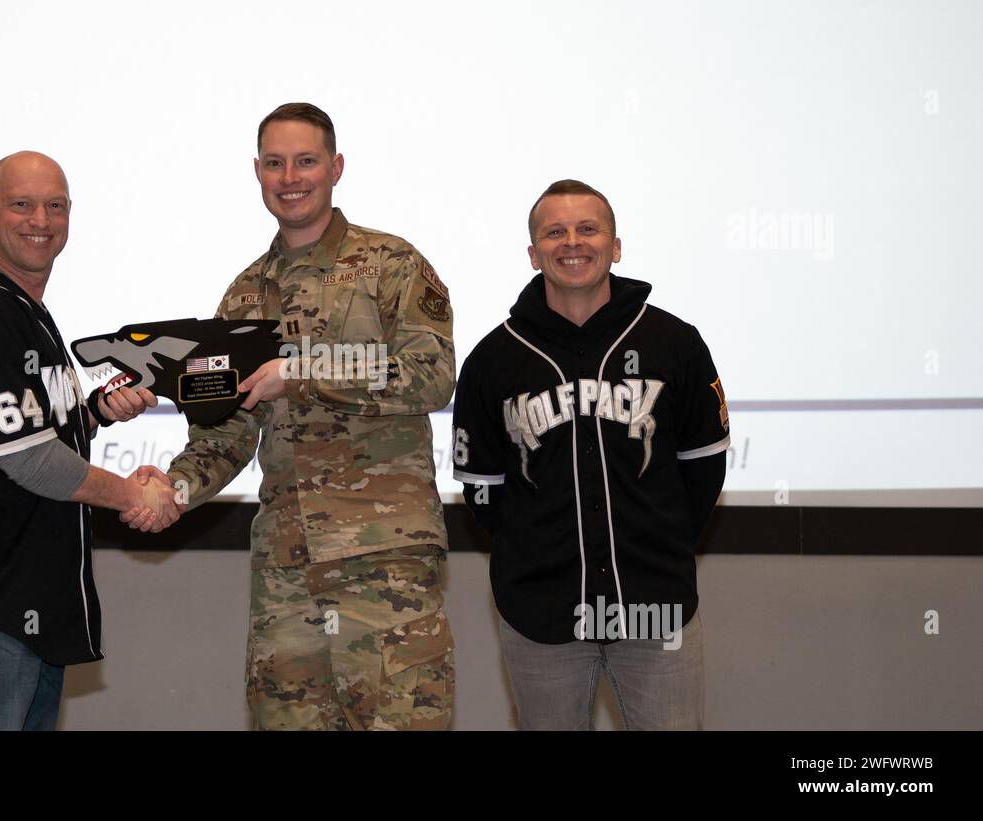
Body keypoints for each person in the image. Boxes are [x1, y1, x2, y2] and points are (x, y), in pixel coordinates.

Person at [154, 103, 457, 730]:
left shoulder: (393, 265)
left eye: (306, 161)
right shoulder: (243, 295)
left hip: (385, 564)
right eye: (274, 163)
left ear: (336, 167)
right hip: (286, 575)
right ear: (257, 172)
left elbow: (432, 377)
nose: (290, 176)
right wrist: (174, 489)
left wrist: (303, 371)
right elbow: (224, 435)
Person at [0, 150, 180, 731]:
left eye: (55, 206)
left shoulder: (28, 314)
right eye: (20, 204)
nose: (39, 220)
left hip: (29, 611)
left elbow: (28, 432)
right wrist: (130, 495)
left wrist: (94, 412)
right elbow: (28, 459)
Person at [452, 179, 728, 730]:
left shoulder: (674, 342)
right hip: (541, 613)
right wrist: (538, 552)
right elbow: (483, 492)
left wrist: (656, 542)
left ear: (616, 245)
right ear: (533, 254)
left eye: (587, 228)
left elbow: (703, 470)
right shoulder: (493, 359)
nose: (571, 242)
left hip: (656, 606)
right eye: (554, 232)